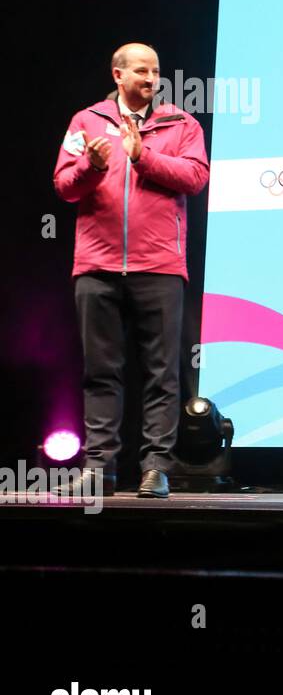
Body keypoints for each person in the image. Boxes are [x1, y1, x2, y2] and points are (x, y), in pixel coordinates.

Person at [52, 43, 211, 499]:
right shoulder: (86, 121)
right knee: (101, 371)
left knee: (162, 373)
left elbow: (196, 178)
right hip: (97, 265)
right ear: (117, 75)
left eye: (156, 70)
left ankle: (156, 467)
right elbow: (64, 186)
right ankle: (99, 466)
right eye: (141, 70)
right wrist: (91, 167)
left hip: (159, 265)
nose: (151, 77)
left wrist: (143, 156)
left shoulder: (181, 124)